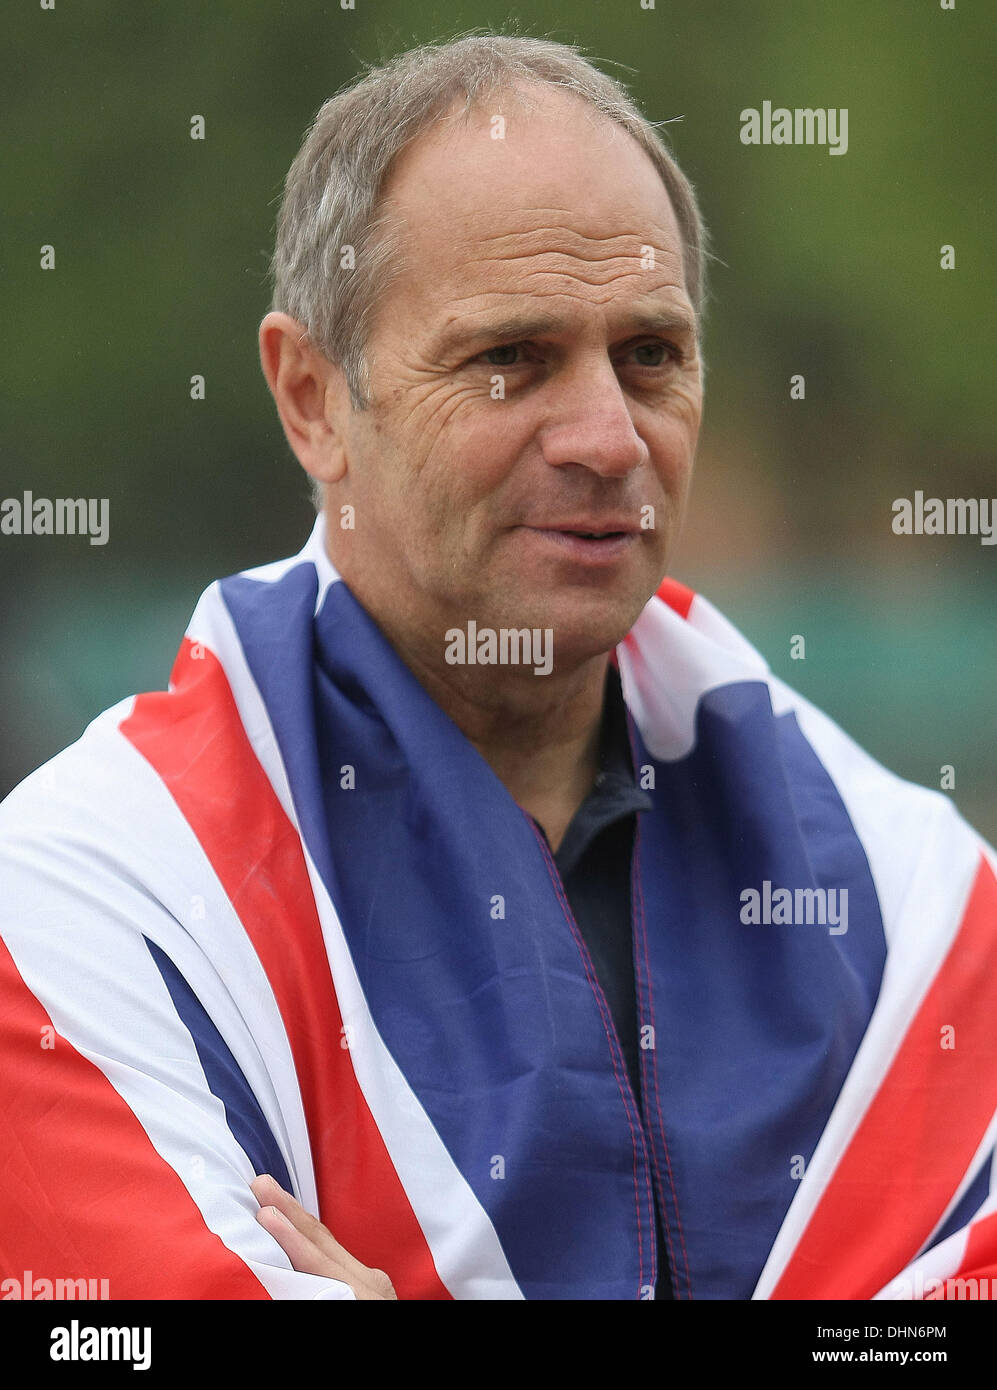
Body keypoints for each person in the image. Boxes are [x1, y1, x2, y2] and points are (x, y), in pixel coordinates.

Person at [1, 34, 995, 1303]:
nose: (605, 438)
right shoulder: (93, 898)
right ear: (312, 398)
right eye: (509, 360)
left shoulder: (918, 900)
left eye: (650, 355)